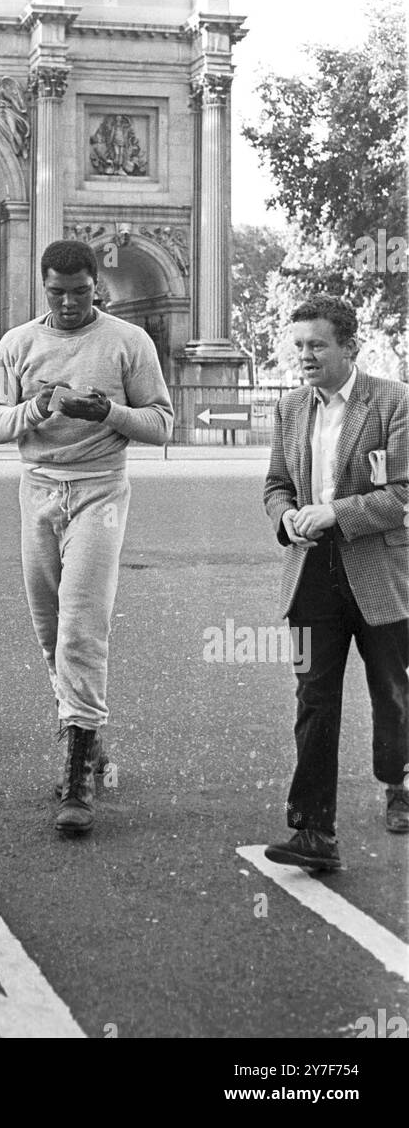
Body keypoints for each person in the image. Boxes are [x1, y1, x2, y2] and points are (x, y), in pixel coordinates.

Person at [0, 240, 174, 833]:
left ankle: (76, 776)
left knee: (82, 625)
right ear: (44, 288)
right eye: (57, 292)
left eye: (80, 292)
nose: (67, 303)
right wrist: (34, 411)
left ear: (99, 286)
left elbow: (162, 424)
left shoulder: (128, 342)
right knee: (49, 631)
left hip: (99, 491)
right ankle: (82, 729)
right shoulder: (17, 344)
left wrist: (108, 413)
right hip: (37, 489)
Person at [263, 294, 409, 871]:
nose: (305, 355)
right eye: (298, 345)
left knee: (392, 693)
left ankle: (399, 783)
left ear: (350, 347)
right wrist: (285, 518)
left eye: (317, 345)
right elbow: (277, 483)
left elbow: (402, 494)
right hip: (311, 577)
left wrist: (335, 513)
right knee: (313, 699)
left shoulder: (393, 402)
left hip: (381, 573)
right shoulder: (289, 408)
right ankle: (313, 831)